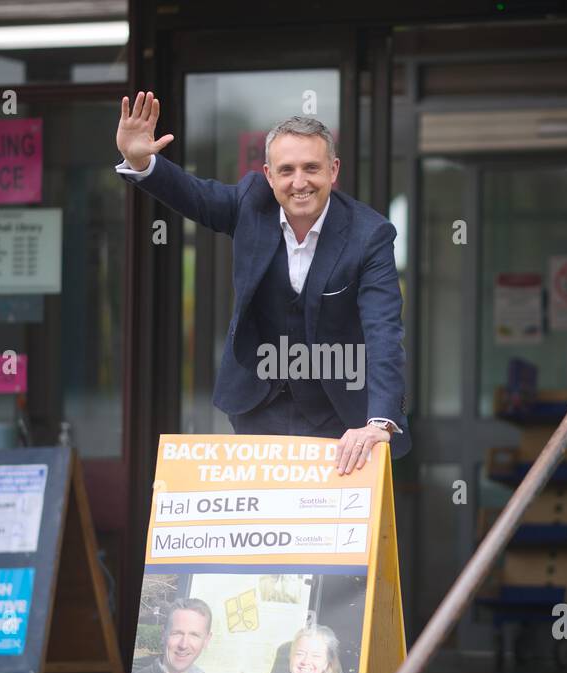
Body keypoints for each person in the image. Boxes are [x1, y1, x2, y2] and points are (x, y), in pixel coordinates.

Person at [115, 91, 411, 473]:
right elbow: (195, 196)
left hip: (338, 415)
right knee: (263, 523)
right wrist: (142, 161)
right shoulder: (251, 204)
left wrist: (379, 422)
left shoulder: (370, 234)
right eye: (286, 170)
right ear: (269, 175)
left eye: (311, 168)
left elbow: (384, 331)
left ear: (333, 171)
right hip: (257, 406)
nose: (299, 182)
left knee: (324, 528)